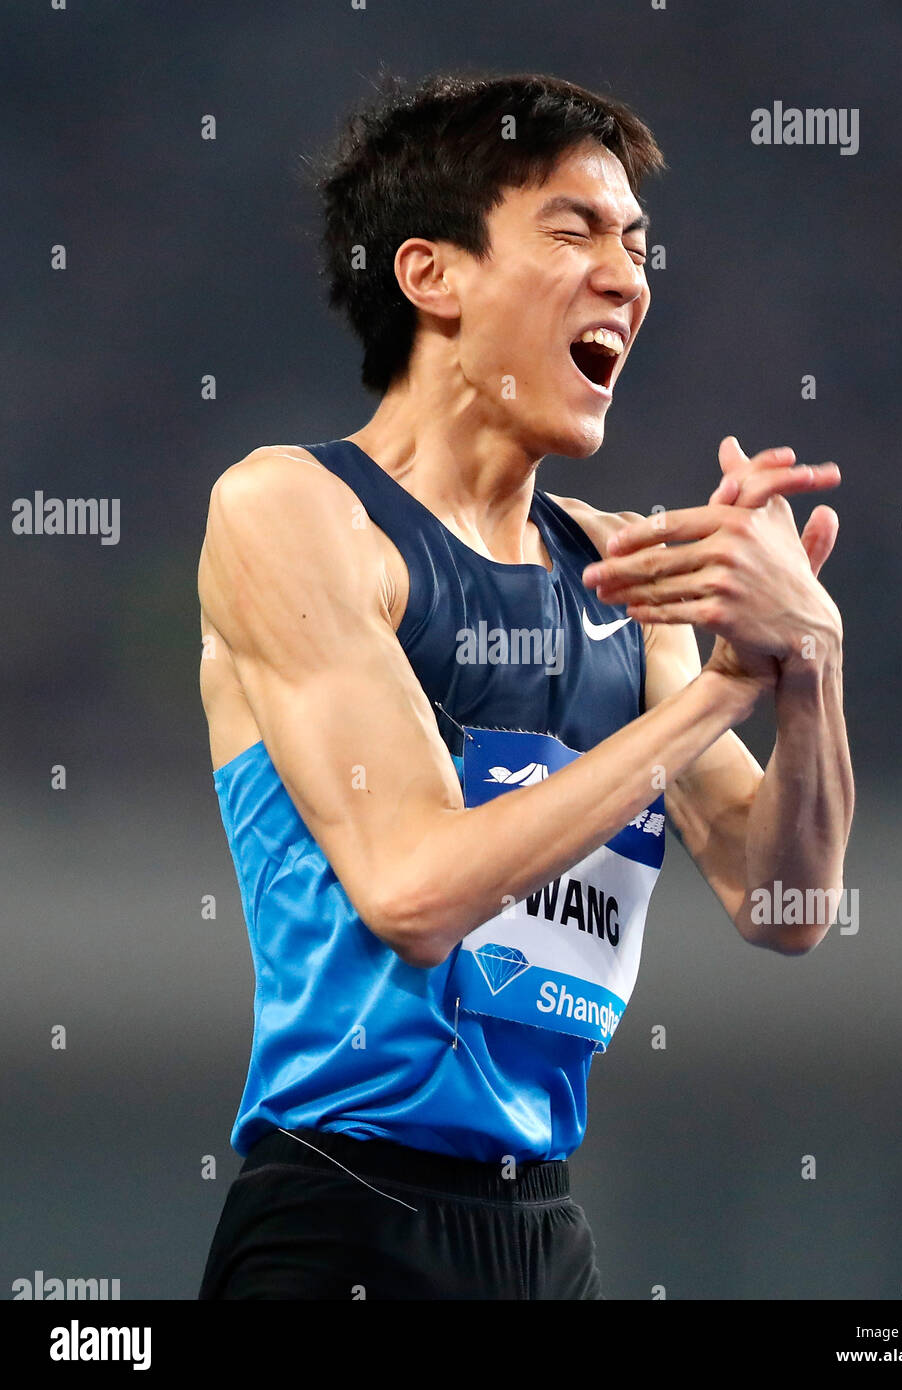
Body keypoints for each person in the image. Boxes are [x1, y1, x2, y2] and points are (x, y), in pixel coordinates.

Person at [196, 71, 854, 1300]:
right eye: (574, 232)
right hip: (344, 1218)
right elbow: (412, 887)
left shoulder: (621, 571)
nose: (627, 277)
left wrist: (806, 664)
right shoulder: (295, 512)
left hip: (544, 1232)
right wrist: (718, 691)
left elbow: (786, 902)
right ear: (430, 274)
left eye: (637, 246)